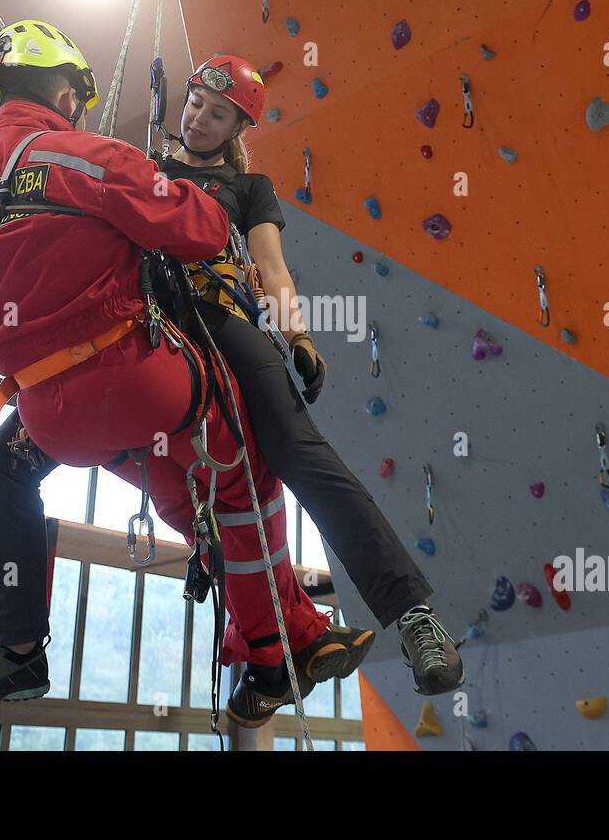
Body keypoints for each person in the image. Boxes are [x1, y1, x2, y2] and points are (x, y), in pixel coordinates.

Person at [0, 21, 369, 727]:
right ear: (67, 92)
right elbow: (203, 230)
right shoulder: (93, 155)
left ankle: (16, 645)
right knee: (238, 485)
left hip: (48, 418)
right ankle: (282, 648)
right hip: (146, 383)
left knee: (9, 473)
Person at [156, 55, 464, 698]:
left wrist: (295, 333)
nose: (198, 119)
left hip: (216, 314)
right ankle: (266, 649)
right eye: (193, 104)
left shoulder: (249, 188)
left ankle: (413, 615)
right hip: (145, 320)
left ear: (238, 125)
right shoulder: (144, 169)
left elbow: (271, 268)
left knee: (299, 453)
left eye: (217, 114)